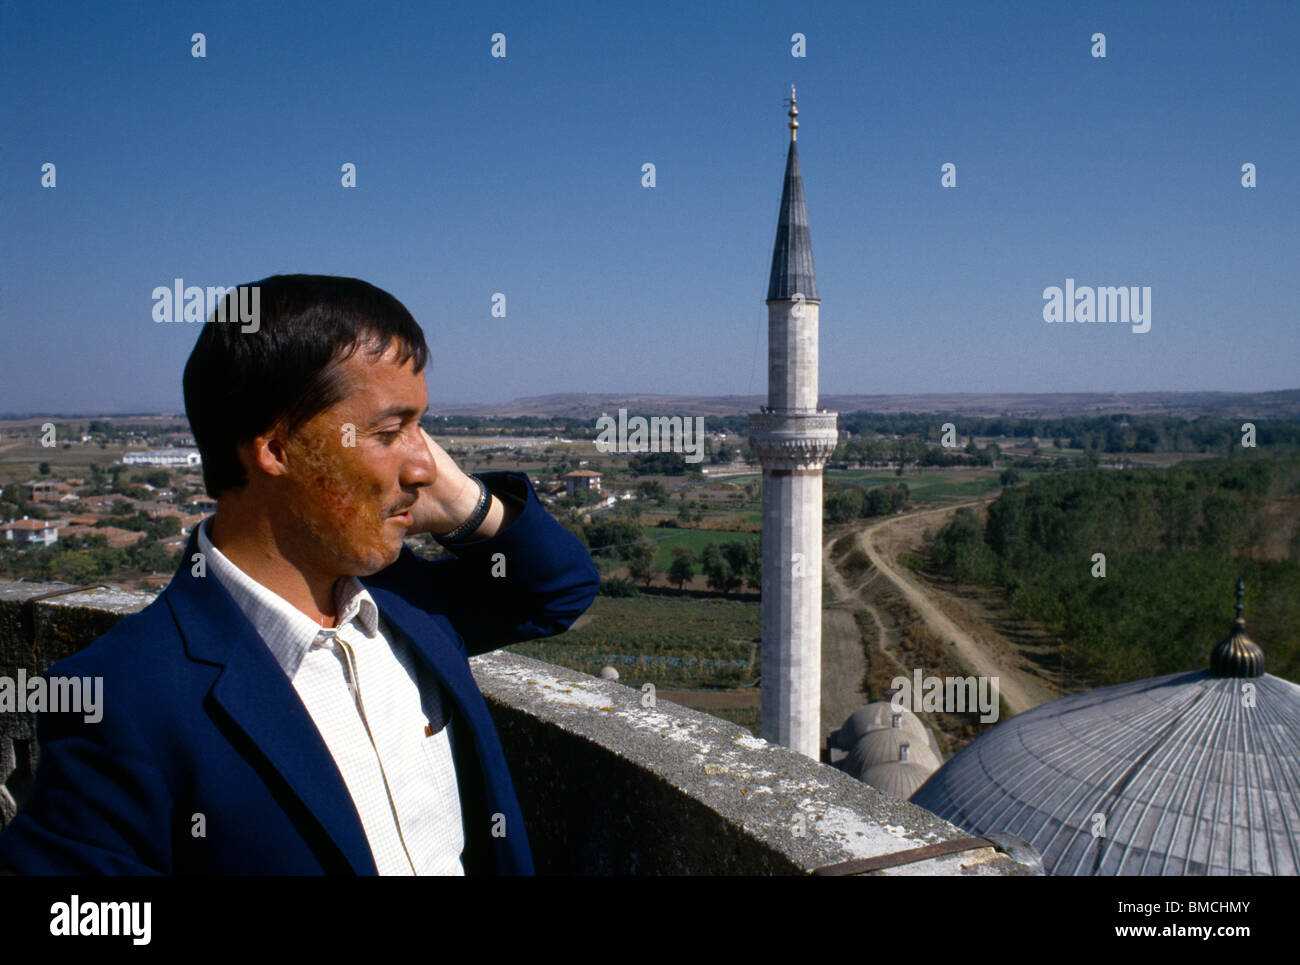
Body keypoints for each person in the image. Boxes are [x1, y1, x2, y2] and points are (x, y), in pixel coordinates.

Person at [0, 274, 600, 874]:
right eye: (390, 432)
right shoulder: (121, 697)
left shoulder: (404, 603)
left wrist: (467, 503)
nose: (424, 464)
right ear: (278, 448)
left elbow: (558, 590)